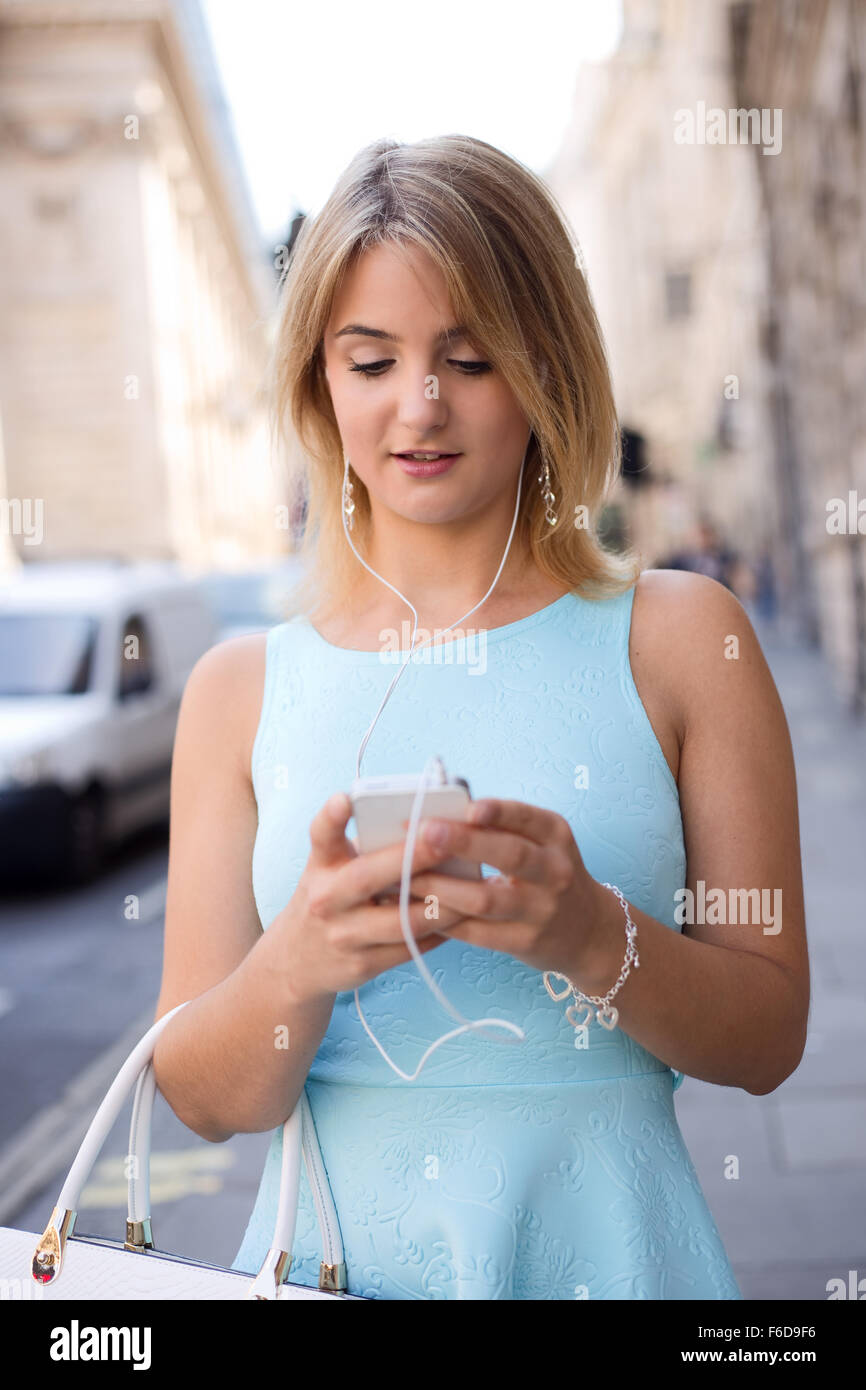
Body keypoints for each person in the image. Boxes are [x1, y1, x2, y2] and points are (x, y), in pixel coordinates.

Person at [151, 134, 809, 1300]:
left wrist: (585, 936)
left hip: (615, 1260)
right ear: (317, 383)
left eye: (469, 356)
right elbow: (205, 1100)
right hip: (327, 1269)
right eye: (370, 361)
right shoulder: (238, 686)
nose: (422, 404)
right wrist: (297, 963)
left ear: (545, 364)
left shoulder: (680, 637)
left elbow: (763, 1041)